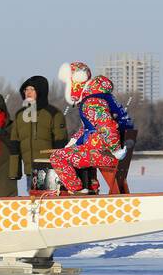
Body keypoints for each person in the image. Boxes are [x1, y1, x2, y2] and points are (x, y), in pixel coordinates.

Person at [49, 63, 129, 195]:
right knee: (71, 152)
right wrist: (73, 141)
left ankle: (78, 191)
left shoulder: (91, 102)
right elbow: (89, 128)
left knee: (57, 157)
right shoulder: (96, 98)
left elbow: (107, 126)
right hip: (99, 150)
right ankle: (91, 187)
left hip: (103, 153)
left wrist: (115, 149)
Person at [10, 75, 66, 194]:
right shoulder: (20, 115)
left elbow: (61, 144)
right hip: (30, 171)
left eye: (32, 89)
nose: (28, 92)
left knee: (50, 202)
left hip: (50, 170)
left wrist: (60, 169)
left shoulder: (53, 114)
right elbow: (14, 144)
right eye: (26, 90)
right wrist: (14, 172)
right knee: (33, 202)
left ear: (40, 91)